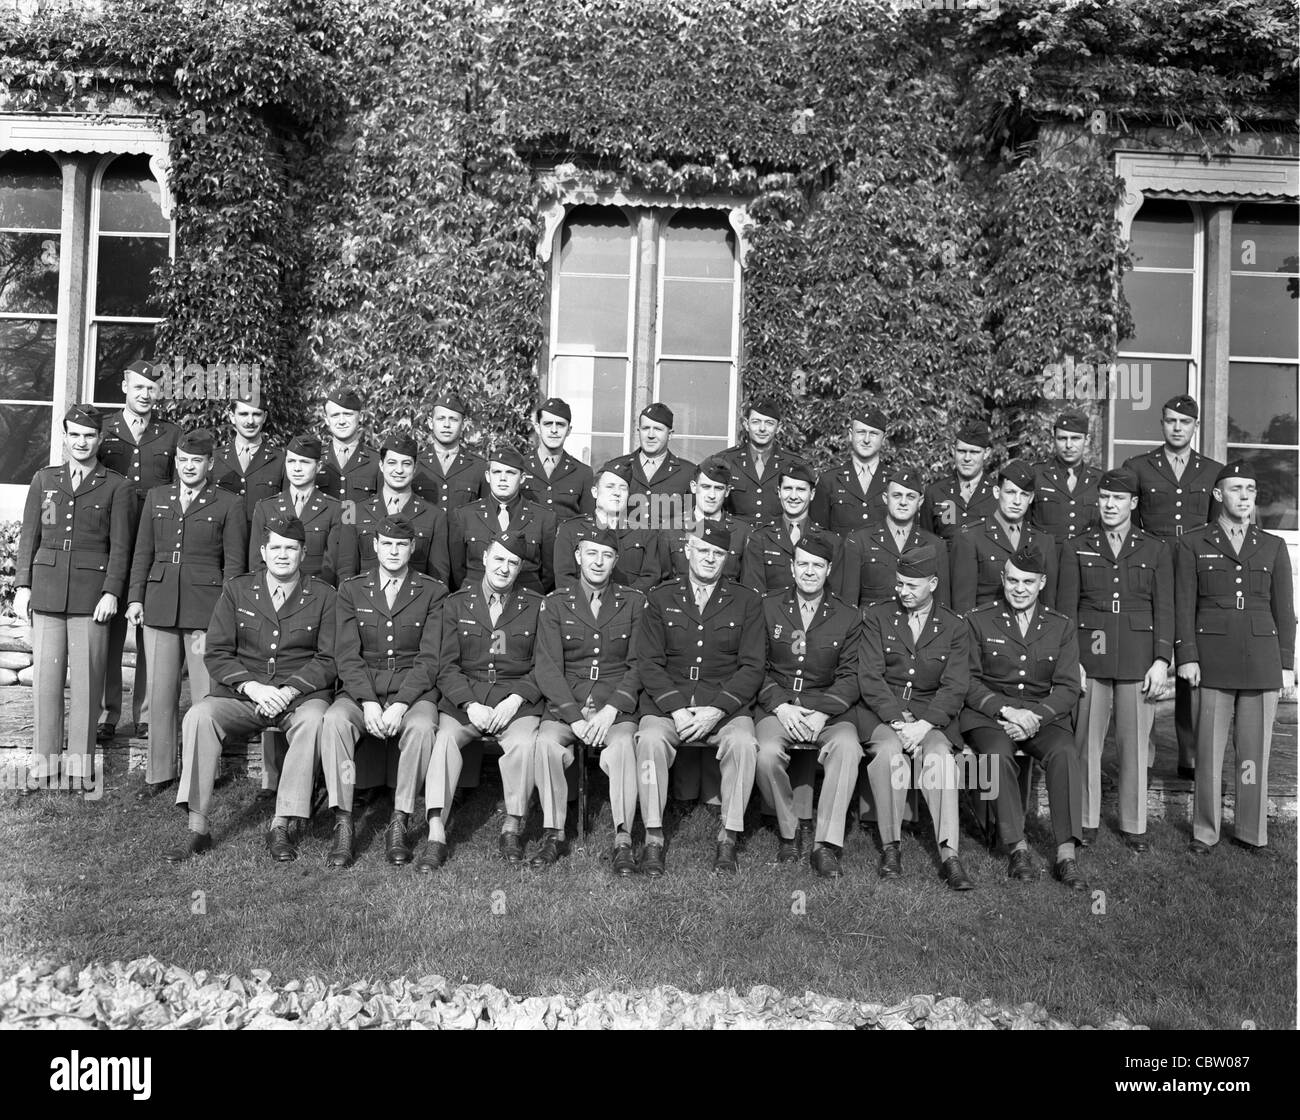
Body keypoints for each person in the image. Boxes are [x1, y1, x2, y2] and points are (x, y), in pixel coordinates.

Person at [165, 517, 335, 864]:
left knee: (314, 721)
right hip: (245, 696)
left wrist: (288, 691)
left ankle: (282, 823)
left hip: (297, 699)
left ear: (303, 553)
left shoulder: (323, 595)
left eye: (291, 548)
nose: (283, 555)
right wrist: (253, 686)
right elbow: (216, 651)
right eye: (276, 547)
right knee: (199, 716)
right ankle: (197, 827)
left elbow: (329, 658)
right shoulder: (238, 590)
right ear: (263, 552)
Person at [1176, 461, 1295, 855]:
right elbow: (1184, 607)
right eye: (1236, 489)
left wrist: (1287, 666)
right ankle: (1205, 831)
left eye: (1250, 489)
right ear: (1217, 495)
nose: (1244, 497)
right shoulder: (1194, 543)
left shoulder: (1273, 546)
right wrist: (1187, 656)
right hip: (1212, 662)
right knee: (1208, 752)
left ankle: (1250, 831)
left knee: (1253, 754)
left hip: (1261, 661)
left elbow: (1285, 611)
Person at [635, 522, 764, 875]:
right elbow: (649, 662)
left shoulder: (746, 601)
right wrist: (676, 710)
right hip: (667, 704)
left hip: (722, 704)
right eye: (703, 550)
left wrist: (717, 709)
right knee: (649, 741)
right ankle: (653, 836)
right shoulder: (661, 597)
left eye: (718, 553)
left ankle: (728, 835)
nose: (710, 558)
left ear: (727, 558)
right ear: (688, 550)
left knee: (742, 742)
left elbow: (752, 666)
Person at [125, 429, 247, 795]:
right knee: (159, 693)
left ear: (210, 464)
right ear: (175, 462)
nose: (188, 467)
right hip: (160, 605)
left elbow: (235, 565)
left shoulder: (228, 503)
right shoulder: (158, 497)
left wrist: (228, 612)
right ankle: (159, 773)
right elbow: (142, 552)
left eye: (196, 461)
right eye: (182, 460)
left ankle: (202, 770)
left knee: (205, 696)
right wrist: (135, 598)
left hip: (204, 611)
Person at [13, 405, 134, 769]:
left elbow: (121, 547)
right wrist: (23, 585)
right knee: (46, 683)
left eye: (89, 435)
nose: (81, 442)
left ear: (100, 438)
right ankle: (45, 765)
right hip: (48, 590)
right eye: (75, 434)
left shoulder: (117, 486)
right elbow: (30, 536)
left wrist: (112, 591)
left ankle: (81, 767)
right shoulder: (45, 480)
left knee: (86, 685)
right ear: (64, 437)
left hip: (90, 597)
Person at [321, 515, 446, 869]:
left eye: (400, 545)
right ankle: (344, 822)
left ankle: (400, 819)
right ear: (375, 546)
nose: (393, 551)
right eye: (386, 544)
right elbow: (346, 654)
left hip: (413, 690)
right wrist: (369, 703)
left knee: (421, 728)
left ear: (412, 548)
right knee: (334, 722)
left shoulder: (433, 591)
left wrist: (402, 703)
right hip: (363, 690)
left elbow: (430, 657)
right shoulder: (351, 590)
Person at [1057, 467, 1172, 850]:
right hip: (1091, 660)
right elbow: (1066, 610)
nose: (1109, 504)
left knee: (1135, 745)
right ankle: (1086, 819)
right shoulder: (1077, 546)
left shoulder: (1154, 548)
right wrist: (1072, 658)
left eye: (1118, 499)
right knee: (1086, 743)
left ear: (1133, 503)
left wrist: (1161, 660)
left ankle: (1133, 823)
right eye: (1104, 497)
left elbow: (1165, 610)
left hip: (1139, 660)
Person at [961, 544, 1086, 890]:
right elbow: (967, 681)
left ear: (1042, 583)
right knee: (997, 755)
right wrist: (1007, 710)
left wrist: (1035, 716)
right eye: (1013, 580)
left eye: (1028, 582)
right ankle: (1017, 847)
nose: (1019, 588)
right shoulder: (978, 620)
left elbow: (1067, 686)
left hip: (1041, 717)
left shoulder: (1061, 626)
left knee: (1064, 753)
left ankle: (1066, 854)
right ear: (1002, 579)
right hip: (992, 715)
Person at [858, 545, 974, 890]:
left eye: (912, 586)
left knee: (939, 758)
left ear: (933, 583)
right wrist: (898, 720)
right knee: (890, 756)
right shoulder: (877, 617)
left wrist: (924, 725)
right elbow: (870, 677)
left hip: (931, 717)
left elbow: (955, 685)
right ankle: (891, 847)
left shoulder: (954, 626)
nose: (903, 592)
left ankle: (950, 855)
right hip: (885, 712)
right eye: (899, 584)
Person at [534, 527, 645, 873]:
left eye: (607, 555)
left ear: (615, 562)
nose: (598, 562)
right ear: (579, 557)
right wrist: (575, 717)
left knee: (625, 748)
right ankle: (554, 832)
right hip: (568, 704)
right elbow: (548, 667)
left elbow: (639, 663)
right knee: (547, 745)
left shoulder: (634, 602)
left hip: (614, 705)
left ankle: (623, 837)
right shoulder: (555, 603)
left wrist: (612, 710)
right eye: (592, 554)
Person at [1124, 393, 1224, 779]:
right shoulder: (1138, 467)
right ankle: (1143, 753)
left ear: (1196, 426)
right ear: (1162, 425)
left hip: (1197, 576)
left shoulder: (1213, 471)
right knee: (1149, 655)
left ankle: (1190, 754)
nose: (1177, 428)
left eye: (1184, 422)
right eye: (1170, 422)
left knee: (1191, 659)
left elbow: (1216, 530)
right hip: (1152, 574)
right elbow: (1130, 524)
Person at [430, 533, 545, 865]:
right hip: (469, 696)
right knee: (446, 740)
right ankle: (436, 829)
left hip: (516, 700)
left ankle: (513, 824)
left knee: (524, 744)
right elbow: (445, 666)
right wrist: (469, 704)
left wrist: (515, 699)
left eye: (512, 563)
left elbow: (545, 665)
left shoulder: (536, 606)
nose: (504, 568)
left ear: (520, 568)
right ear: (484, 559)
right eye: (498, 559)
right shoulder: (456, 603)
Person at [753, 534, 862, 878]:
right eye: (803, 564)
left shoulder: (847, 615)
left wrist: (824, 711)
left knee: (848, 748)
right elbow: (756, 665)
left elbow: (851, 674)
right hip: (779, 704)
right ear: (792, 566)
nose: (809, 571)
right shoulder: (768, 606)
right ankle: (790, 830)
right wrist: (781, 706)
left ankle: (825, 844)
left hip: (827, 707)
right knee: (766, 753)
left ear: (829, 569)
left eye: (817, 565)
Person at [97, 358, 180, 742]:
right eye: (139, 387)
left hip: (155, 544)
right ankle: (106, 713)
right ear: (125, 387)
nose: (145, 394)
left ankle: (145, 713)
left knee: (151, 626)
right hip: (111, 544)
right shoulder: (103, 430)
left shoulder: (170, 434)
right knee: (109, 628)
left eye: (152, 388)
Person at [334, 432, 449, 585]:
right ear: (381, 465)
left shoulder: (436, 517)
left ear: (415, 468)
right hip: (365, 602)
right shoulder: (352, 511)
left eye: (406, 464)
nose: (399, 470)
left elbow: (439, 577)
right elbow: (345, 570)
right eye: (392, 463)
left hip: (414, 603)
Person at [950, 459, 1058, 612]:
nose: (1017, 501)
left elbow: (1048, 607)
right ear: (996, 492)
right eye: (1010, 492)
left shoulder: (1044, 542)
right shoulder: (970, 537)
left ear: (1031, 498)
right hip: (985, 631)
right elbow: (963, 606)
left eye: (1024, 494)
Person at [835, 464, 949, 609]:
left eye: (910, 497)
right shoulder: (859, 541)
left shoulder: (935, 545)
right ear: (885, 498)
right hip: (871, 629)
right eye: (897, 495)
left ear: (920, 502)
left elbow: (942, 608)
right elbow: (848, 606)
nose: (903, 502)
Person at [449, 447, 555, 593]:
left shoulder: (544, 518)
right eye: (497, 472)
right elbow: (457, 570)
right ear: (487, 476)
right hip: (476, 603)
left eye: (510, 473)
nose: (502, 478)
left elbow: (548, 573)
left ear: (522, 478)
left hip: (525, 603)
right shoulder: (464, 515)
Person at [552, 460, 664, 592]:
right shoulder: (570, 530)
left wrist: (620, 602)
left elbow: (651, 577)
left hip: (628, 608)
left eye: (623, 488)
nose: (617, 493)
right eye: (610, 486)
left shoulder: (645, 532)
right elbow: (564, 577)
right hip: (580, 608)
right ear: (594, 491)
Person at [249, 435, 342, 585]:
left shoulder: (336, 509)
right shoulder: (264, 507)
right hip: (273, 595)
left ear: (318, 467)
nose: (297, 468)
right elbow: (256, 562)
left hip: (317, 595)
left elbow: (333, 564)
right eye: (291, 461)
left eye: (304, 462)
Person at [742, 460, 840, 595]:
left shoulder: (830, 541)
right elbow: (752, 595)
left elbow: (834, 597)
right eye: (788, 489)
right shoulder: (759, 538)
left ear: (812, 494)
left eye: (800, 489)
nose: (793, 496)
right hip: (770, 615)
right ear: (779, 492)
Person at [659, 457, 749, 584]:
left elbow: (747, 588)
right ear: (694, 487)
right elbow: (663, 582)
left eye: (718, 488)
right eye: (706, 487)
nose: (711, 495)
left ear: (727, 491)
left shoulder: (743, 533)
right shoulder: (671, 529)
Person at [810, 406, 889, 534]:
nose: (866, 440)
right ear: (851, 435)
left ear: (883, 439)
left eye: (873, 433)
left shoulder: (895, 483)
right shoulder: (829, 481)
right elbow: (818, 537)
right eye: (861, 432)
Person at [718, 398, 799, 523]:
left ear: (778, 427)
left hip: (778, 541)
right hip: (736, 540)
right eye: (756, 422)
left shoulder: (794, 464)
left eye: (769, 423)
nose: (762, 428)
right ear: (746, 424)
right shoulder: (725, 460)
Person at [920, 420, 998, 548]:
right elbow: (924, 544)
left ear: (987, 453)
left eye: (974, 452)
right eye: (962, 451)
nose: (967, 458)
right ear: (953, 450)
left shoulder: (999, 495)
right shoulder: (935, 493)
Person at [211, 393, 284, 529]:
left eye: (256, 414)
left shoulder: (280, 460)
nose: (250, 421)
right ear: (232, 416)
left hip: (264, 543)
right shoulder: (214, 459)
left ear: (265, 417)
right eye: (243, 414)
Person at [1029, 410, 1101, 545]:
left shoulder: (1099, 480)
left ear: (1087, 440)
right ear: (1054, 440)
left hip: (1085, 561)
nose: (1069, 445)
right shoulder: (1036, 474)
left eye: (1075, 438)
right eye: (1062, 438)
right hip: (1045, 561)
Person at [602, 402, 696, 503]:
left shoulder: (688, 473)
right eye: (646, 428)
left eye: (658, 429)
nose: (651, 435)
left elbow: (693, 516)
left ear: (670, 434)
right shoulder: (614, 468)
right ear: (638, 431)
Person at [413, 391, 487, 515]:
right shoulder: (415, 464)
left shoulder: (479, 467)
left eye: (453, 419)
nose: (446, 425)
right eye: (441, 418)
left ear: (463, 425)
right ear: (431, 423)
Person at [522, 397, 594, 521]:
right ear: (538, 427)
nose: (554, 430)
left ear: (569, 430)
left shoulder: (582, 473)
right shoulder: (520, 467)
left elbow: (587, 523)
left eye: (560, 425)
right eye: (548, 424)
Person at [316, 387, 380, 509]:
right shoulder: (314, 458)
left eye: (347, 414)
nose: (341, 421)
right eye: (335, 415)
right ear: (326, 420)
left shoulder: (377, 461)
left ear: (360, 416)